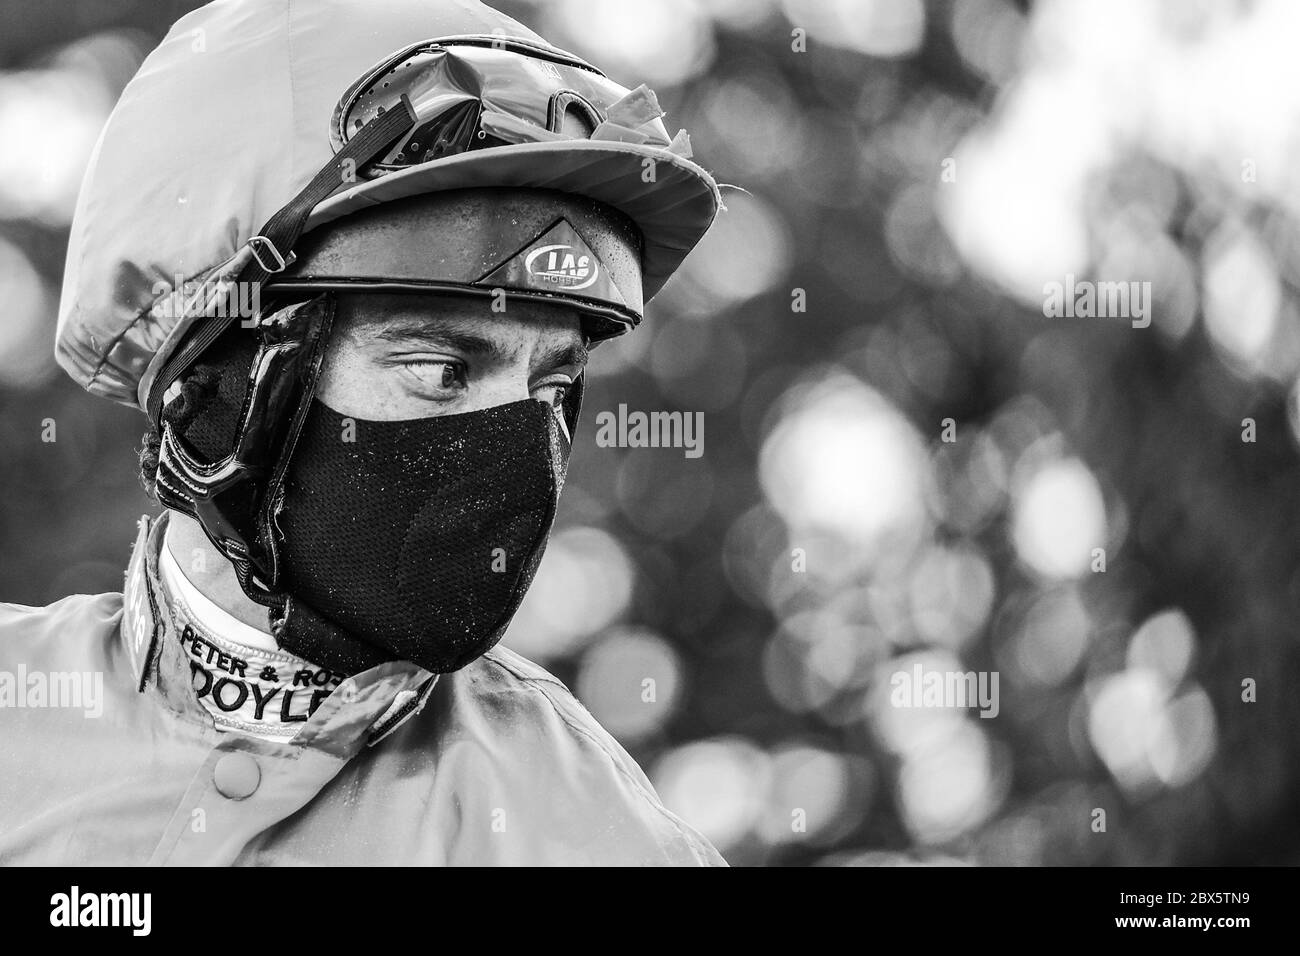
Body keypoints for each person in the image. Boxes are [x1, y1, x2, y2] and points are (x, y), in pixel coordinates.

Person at [0, 0, 727, 866]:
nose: (517, 451)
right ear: (216, 386)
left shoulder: (590, 840)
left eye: (552, 383)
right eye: (441, 370)